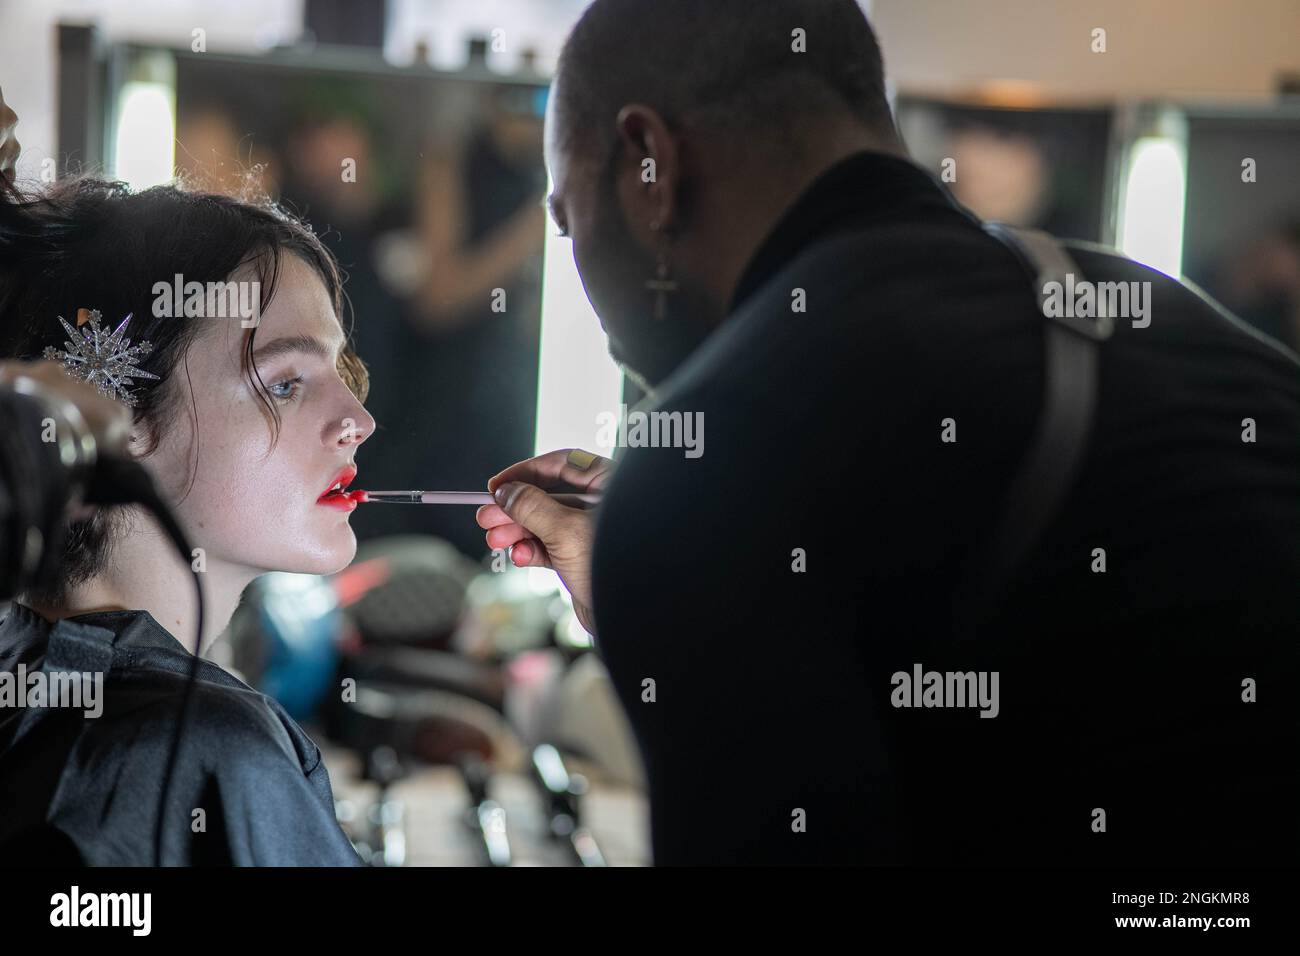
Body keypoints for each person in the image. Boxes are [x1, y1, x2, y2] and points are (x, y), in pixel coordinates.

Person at [478, 0, 1300, 865]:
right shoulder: (1172, 323)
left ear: (651, 166)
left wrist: (676, 552)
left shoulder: (721, 455)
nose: (577, 261)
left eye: (568, 217)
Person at [0, 165, 372, 864]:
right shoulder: (208, 752)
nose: (359, 420)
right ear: (115, 417)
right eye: (286, 382)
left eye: (343, 375)